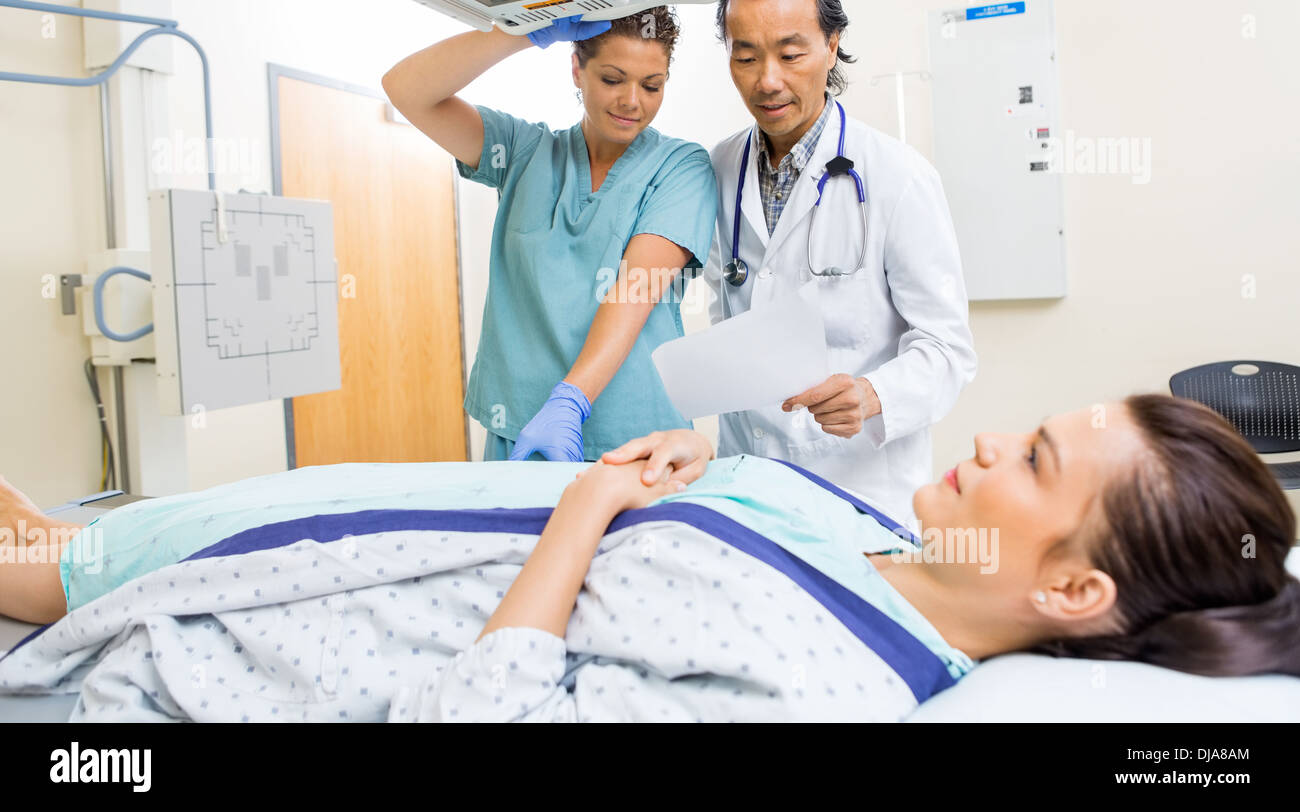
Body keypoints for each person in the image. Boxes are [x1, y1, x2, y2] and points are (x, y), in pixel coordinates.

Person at [1, 394, 1296, 721]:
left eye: (1036, 464)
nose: (993, 440)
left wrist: (581, 517)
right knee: (63, 536)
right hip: (294, 535)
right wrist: (688, 468)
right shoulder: (886, 541)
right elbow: (728, 518)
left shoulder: (821, 695)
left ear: (1076, 590)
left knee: (50, 575)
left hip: (248, 640)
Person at [660, 0, 973, 526]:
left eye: (790, 53)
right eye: (746, 57)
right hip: (746, 483)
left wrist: (875, 395)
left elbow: (948, 349)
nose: (767, 80)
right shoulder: (718, 168)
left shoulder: (897, 177)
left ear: (832, 45)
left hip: (858, 493)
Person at [381, 8, 717, 463]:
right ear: (576, 68)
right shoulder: (522, 152)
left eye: (651, 85)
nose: (632, 101)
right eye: (613, 79)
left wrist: (570, 402)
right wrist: (516, 34)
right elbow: (407, 91)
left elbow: (636, 290)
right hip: (525, 426)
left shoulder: (681, 167)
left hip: (638, 439)